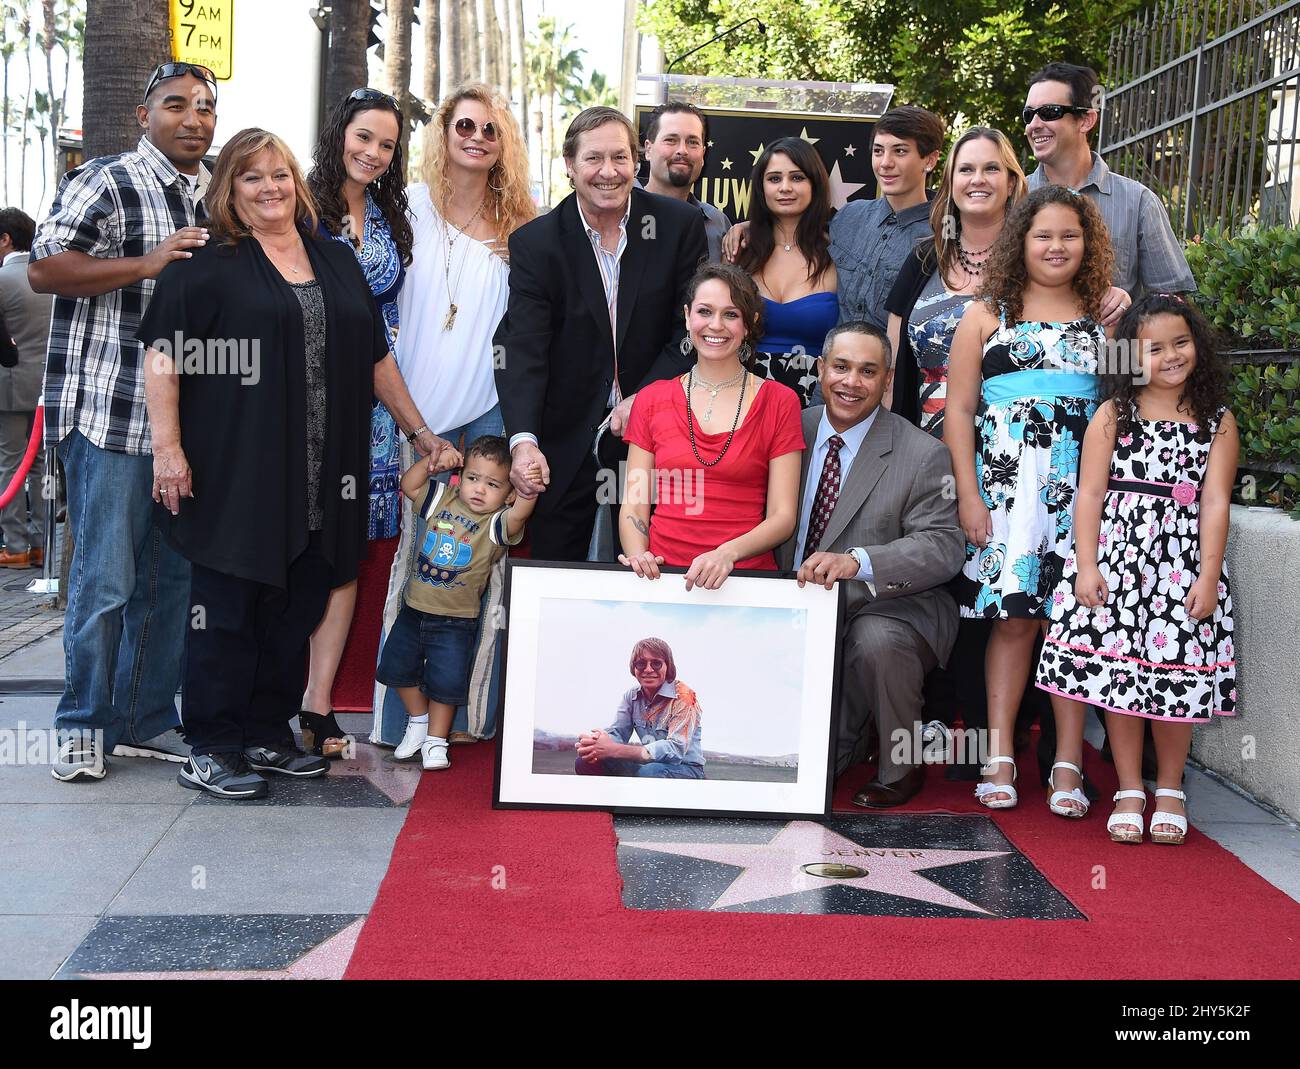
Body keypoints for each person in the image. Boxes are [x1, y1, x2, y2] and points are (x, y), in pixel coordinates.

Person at [138, 127, 459, 799]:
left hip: (324, 471)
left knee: (298, 598)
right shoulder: (207, 262)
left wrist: (421, 431)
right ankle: (212, 744)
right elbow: (163, 356)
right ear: (230, 188)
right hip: (237, 468)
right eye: (252, 177)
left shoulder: (332, 258)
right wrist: (168, 449)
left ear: (295, 180)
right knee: (228, 607)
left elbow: (376, 357)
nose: (270, 188)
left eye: (279, 174)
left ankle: (263, 730)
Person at [29, 62, 219, 781]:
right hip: (108, 415)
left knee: (170, 586)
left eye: (205, 107)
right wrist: (146, 264)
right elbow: (46, 268)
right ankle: (81, 724)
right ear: (145, 116)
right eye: (176, 105)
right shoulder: (106, 179)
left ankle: (143, 719)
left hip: (185, 431)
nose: (193, 118)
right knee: (104, 580)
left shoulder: (213, 195)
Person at [1036, 294, 1238, 844]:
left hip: (1181, 565)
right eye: (1153, 348)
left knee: (1174, 682)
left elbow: (1216, 501)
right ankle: (1129, 787)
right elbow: (1090, 494)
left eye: (1180, 343)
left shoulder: (1216, 420)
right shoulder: (1112, 415)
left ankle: (1169, 788)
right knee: (1121, 678)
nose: (1170, 356)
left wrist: (1207, 575)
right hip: (1117, 562)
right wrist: (1085, 566)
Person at [373, 82, 535, 750]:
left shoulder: (523, 229)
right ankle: (395, 718)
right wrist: (412, 423)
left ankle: (463, 717)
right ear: (443, 132)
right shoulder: (403, 209)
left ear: (504, 145)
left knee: (475, 572)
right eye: (463, 124)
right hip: (402, 411)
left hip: (480, 418)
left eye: (490, 130)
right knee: (405, 569)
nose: (475, 137)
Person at [946, 184, 1114, 815]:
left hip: (1084, 493)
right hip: (1006, 490)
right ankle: (999, 755)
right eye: (1043, 235)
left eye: (1070, 235)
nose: (1056, 246)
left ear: (1087, 244)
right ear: (1021, 241)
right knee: (1014, 620)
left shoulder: (1106, 316)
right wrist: (968, 494)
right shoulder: (986, 312)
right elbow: (960, 410)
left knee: (1073, 622)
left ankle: (1068, 763)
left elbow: (1122, 408)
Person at [300, 88, 456, 759]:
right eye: (363, 137)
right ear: (339, 134)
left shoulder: (392, 216)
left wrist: (414, 425)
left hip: (375, 410)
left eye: (386, 144)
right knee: (298, 551)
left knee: (344, 560)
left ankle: (317, 703)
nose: (372, 152)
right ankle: (269, 697)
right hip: (306, 400)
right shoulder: (300, 206)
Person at [494, 106, 707, 562]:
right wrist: (524, 441)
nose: (608, 172)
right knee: (558, 578)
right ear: (570, 166)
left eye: (619, 157)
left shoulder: (677, 226)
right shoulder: (537, 243)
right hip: (565, 445)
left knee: (652, 571)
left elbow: (690, 331)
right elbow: (524, 346)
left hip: (658, 440)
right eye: (593, 159)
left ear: (637, 161)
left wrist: (644, 399)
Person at [778, 322, 964, 806]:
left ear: (887, 381)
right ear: (820, 370)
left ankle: (900, 765)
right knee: (802, 760)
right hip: (792, 603)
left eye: (867, 371)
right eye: (840, 367)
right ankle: (847, 742)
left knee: (876, 641)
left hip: (890, 605)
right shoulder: (787, 430)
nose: (850, 382)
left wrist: (857, 562)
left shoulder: (923, 453)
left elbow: (944, 547)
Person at [618, 263, 803, 587]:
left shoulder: (780, 401)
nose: (715, 325)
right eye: (705, 311)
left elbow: (783, 517)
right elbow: (635, 502)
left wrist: (726, 554)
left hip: (746, 581)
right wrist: (638, 555)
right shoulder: (651, 399)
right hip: (664, 579)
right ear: (688, 316)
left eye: (731, 314)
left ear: (751, 322)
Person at [380, 436, 534, 771]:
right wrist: (433, 461)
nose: (479, 489)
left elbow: (521, 513)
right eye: (473, 478)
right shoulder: (441, 498)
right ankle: (419, 722)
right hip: (414, 610)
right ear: (460, 477)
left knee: (446, 684)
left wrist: (528, 487)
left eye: (492, 484)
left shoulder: (497, 523)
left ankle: (436, 741)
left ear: (508, 494)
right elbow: (409, 484)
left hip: (456, 621)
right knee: (395, 668)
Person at [723, 106, 944, 331]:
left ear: (930, 160)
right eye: (878, 151)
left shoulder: (940, 236)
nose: (885, 163)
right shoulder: (849, 217)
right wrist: (749, 226)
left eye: (900, 151)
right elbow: (798, 225)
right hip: (833, 362)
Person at [884, 128, 1028, 438]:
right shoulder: (923, 259)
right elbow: (891, 369)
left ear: (1011, 181)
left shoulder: (1033, 262)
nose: (978, 179)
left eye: (991, 168)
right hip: (922, 447)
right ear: (950, 184)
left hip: (1011, 448)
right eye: (966, 170)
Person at [1024, 61, 1193, 321]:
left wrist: (1130, 306)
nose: (1034, 125)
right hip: (1024, 359)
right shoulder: (1013, 198)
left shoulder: (1137, 201)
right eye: (1029, 114)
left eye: (1049, 112)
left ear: (1086, 120)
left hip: (1113, 357)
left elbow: (1174, 304)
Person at [734, 138, 838, 408]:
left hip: (819, 403)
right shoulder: (738, 251)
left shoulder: (839, 253)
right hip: (743, 399)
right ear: (761, 187)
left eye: (797, 177)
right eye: (774, 178)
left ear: (814, 183)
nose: (785, 188)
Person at [574, 637, 705, 779]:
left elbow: (675, 750)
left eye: (656, 663)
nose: (648, 670)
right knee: (585, 762)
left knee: (650, 772)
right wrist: (596, 743)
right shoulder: (631, 696)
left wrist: (615, 749)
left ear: (668, 667)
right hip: (648, 766)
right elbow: (617, 732)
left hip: (685, 768)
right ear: (633, 668)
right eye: (641, 664)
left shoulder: (684, 697)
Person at [0, 208, 51, 568]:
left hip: (11, 384)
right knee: (40, 467)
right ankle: (40, 545)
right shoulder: (47, 274)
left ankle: (14, 545)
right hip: (47, 385)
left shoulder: (3, 279)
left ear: (5, 239)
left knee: (10, 464)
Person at [640, 101, 730, 261]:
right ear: (648, 149)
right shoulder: (621, 212)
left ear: (703, 154)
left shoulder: (718, 224)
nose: (682, 150)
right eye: (671, 140)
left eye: (692, 142)